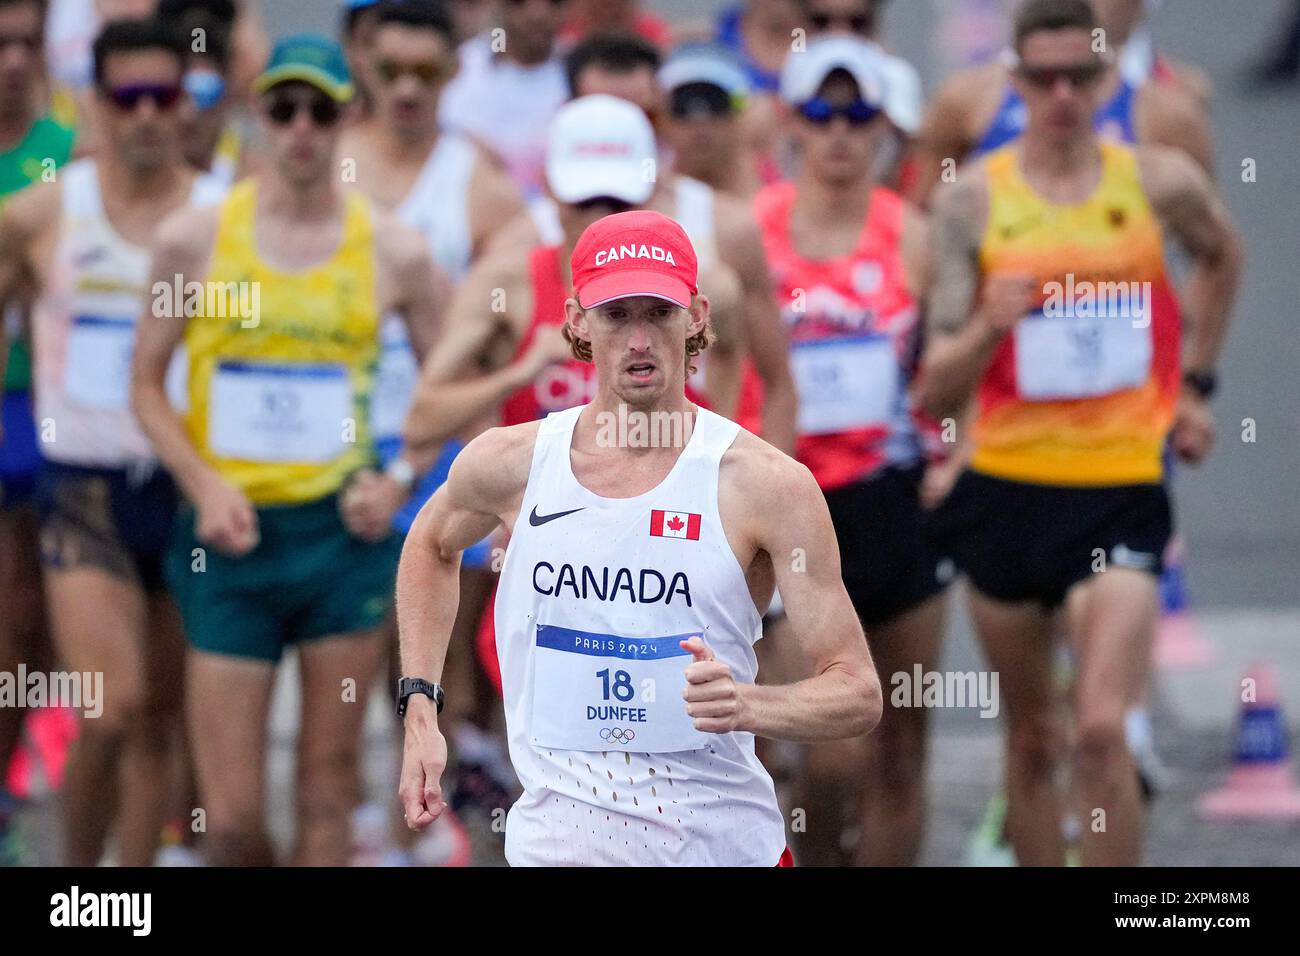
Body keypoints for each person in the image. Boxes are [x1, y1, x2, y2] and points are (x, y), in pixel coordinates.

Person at [395, 207, 883, 865]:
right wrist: (421, 708)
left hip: (718, 848)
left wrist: (748, 704)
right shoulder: (511, 463)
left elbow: (856, 691)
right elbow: (431, 544)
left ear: (698, 317)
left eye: (658, 312)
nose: (639, 338)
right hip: (558, 850)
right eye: (616, 314)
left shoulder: (765, 485)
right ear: (575, 321)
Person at [919, 0, 1242, 866]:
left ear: (1109, 80)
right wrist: (988, 328)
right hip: (1006, 487)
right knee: (1033, 740)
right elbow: (934, 379)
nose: (1063, 95)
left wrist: (1196, 388)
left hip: (1122, 487)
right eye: (1044, 77)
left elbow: (1222, 254)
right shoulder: (973, 202)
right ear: (1015, 82)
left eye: (1081, 76)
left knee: (1101, 729)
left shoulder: (1155, 179)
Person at [130, 34, 446, 866]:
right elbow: (144, 386)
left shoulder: (395, 249)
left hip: (340, 541)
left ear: (348, 118)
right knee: (230, 821)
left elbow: (452, 387)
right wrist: (201, 484)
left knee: (324, 789)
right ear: (260, 117)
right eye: (284, 110)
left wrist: (400, 480)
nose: (302, 130)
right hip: (229, 542)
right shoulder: (192, 239)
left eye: (320, 111)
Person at [0, 16, 226, 866]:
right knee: (109, 707)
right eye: (125, 97)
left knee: (162, 719)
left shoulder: (223, 213)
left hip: (185, 490)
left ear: (187, 103)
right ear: (94, 102)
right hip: (81, 487)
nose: (145, 116)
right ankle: (74, 881)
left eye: (163, 96)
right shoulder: (44, 212)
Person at [752, 34, 950, 866]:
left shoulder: (915, 236)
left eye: (858, 113)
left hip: (892, 504)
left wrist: (957, 455)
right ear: (793, 122)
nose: (839, 132)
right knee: (829, 754)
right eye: (822, 113)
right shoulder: (750, 233)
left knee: (901, 750)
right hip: (792, 513)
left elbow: (961, 366)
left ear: (884, 129)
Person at [339, 0, 524, 858]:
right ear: (363, 66)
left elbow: (504, 313)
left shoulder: (476, 180)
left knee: (436, 640)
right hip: (334, 443)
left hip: (440, 442)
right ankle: (373, 802)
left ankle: (433, 809)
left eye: (427, 72)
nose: (407, 89)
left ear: (454, 73)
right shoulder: (324, 158)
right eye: (391, 71)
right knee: (358, 641)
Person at [0, 0, 75, 864]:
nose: (14, 61)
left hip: (33, 408)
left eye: (29, 44)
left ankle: (29, 733)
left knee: (24, 600)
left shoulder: (64, 154)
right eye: (0, 44)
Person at [909, 0, 1216, 207]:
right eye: (1043, 79)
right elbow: (922, 222)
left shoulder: (1173, 109)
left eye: (1078, 78)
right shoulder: (967, 98)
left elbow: (1212, 247)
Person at [437, 0, 571, 197]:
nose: (537, 14)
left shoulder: (577, 68)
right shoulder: (463, 63)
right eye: (518, 2)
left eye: (553, 2)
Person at [658, 43, 766, 199]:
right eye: (682, 106)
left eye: (716, 104)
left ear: (742, 115)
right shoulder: (638, 194)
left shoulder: (782, 191)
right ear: (662, 117)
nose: (700, 125)